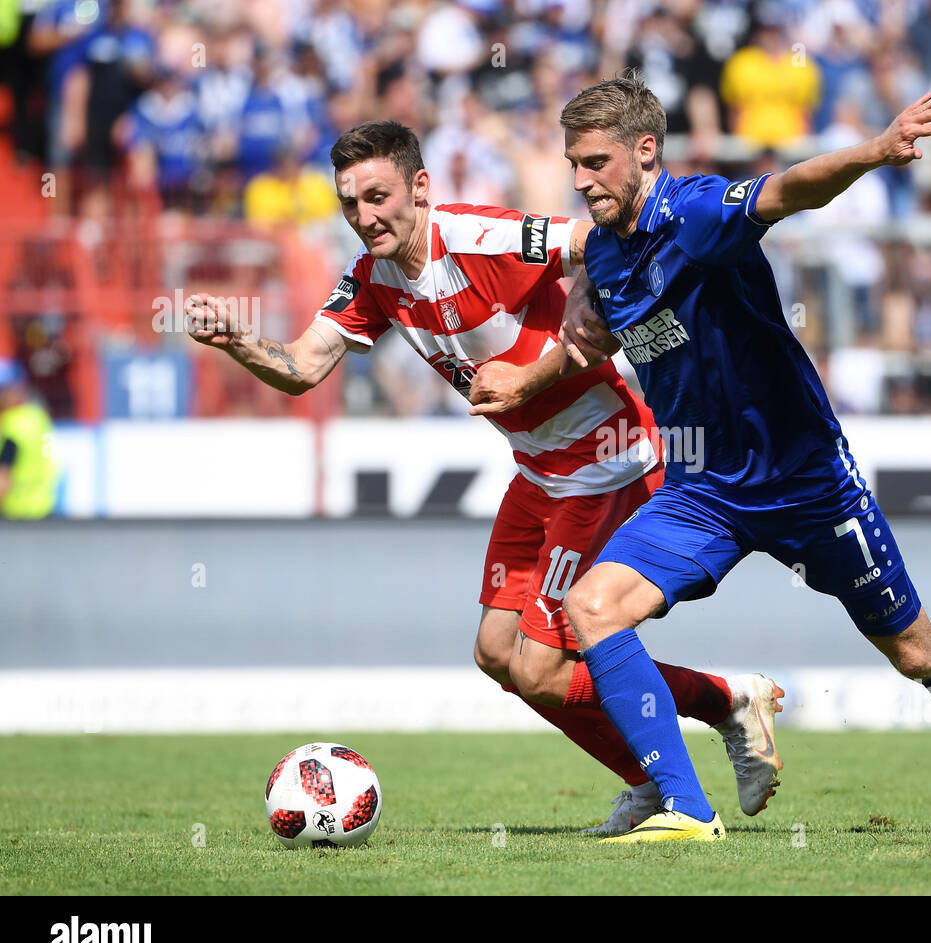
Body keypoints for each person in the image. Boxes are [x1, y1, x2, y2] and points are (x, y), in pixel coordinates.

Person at [184, 120, 783, 834]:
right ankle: (654, 771)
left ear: (420, 187)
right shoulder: (372, 279)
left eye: (378, 196)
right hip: (538, 471)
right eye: (350, 204)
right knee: (498, 655)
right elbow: (304, 367)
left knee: (540, 665)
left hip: (603, 461)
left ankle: (717, 717)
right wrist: (240, 341)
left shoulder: (479, 238)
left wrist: (582, 316)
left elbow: (600, 241)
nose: (365, 216)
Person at [544, 75, 931, 842]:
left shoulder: (697, 214)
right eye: (572, 163)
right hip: (702, 491)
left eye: (595, 162)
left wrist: (874, 150)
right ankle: (686, 809)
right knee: (592, 609)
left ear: (645, 151)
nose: (580, 179)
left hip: (806, 484)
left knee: (916, 652)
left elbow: (791, 189)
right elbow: (591, 314)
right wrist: (556, 328)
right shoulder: (603, 254)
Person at [0, 359, 59, 520]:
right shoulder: (38, 417)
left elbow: (3, 479)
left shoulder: (12, 425)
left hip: (16, 514)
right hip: (44, 507)